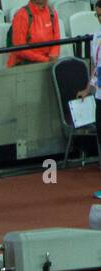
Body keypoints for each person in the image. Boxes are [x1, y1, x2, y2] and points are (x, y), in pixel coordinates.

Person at [77, 1, 101, 199]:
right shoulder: (97, 36)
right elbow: (95, 65)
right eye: (98, 16)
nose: (100, 19)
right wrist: (88, 89)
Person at [7, 0, 60, 68]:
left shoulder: (52, 13)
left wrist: (53, 55)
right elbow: (19, 49)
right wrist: (46, 60)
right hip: (24, 66)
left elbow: (56, 38)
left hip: (47, 63)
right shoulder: (21, 15)